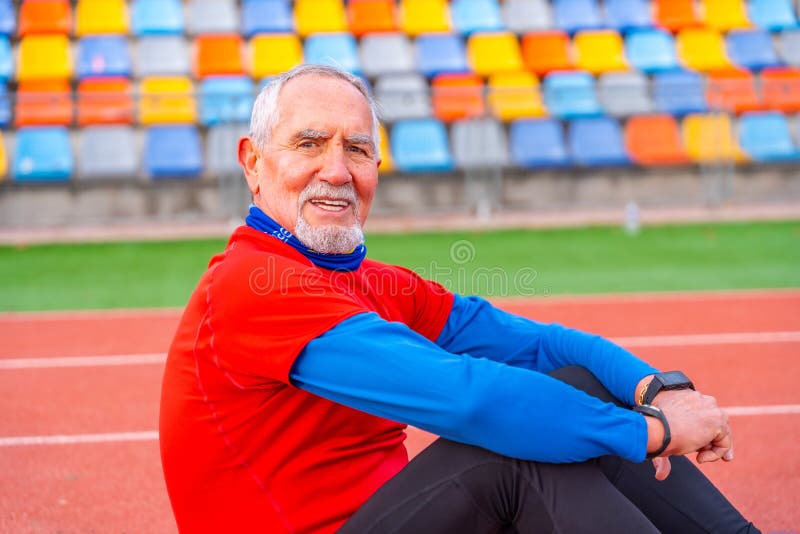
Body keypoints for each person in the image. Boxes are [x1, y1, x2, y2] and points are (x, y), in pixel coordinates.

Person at [159, 64, 759, 533]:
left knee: (573, 388)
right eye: (309, 144)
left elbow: (545, 347)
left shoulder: (376, 283)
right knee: (512, 454)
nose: (338, 171)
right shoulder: (253, 285)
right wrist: (650, 434)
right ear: (253, 163)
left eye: (358, 149)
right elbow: (471, 401)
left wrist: (659, 391)